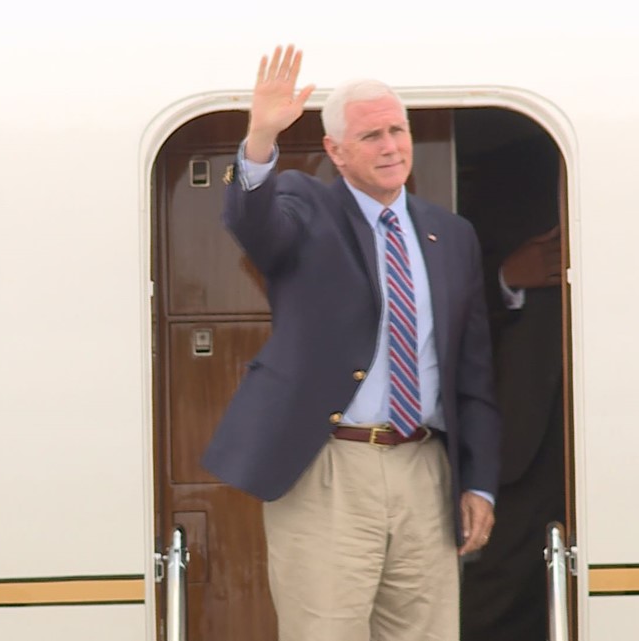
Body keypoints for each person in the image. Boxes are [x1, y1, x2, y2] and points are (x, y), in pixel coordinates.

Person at [200, 45, 502, 641]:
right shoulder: (303, 206)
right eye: (371, 136)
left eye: (398, 130)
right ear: (336, 151)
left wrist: (479, 482)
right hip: (330, 468)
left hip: (424, 468)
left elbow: (473, 373)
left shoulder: (453, 234)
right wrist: (259, 139)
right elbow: (246, 218)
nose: (391, 146)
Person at [458, 136, 567, 641]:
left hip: (615, 419)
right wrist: (507, 277)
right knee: (499, 594)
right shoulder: (500, 167)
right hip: (523, 425)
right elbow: (451, 293)